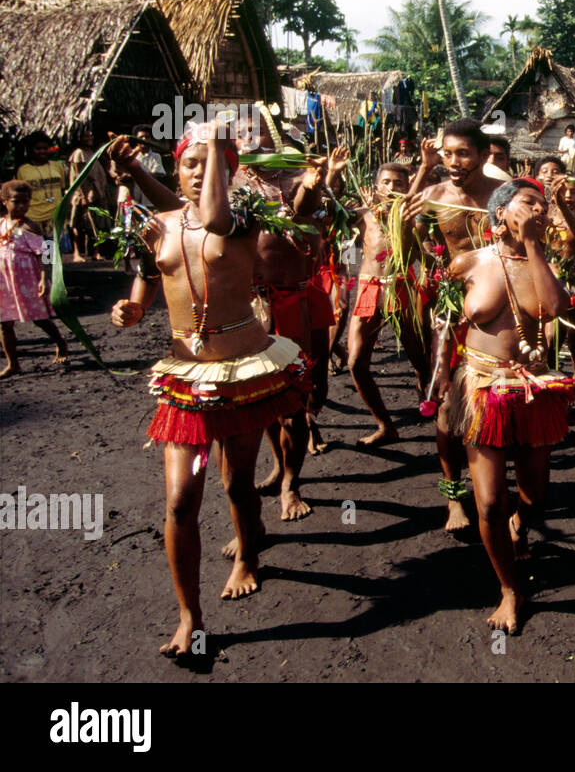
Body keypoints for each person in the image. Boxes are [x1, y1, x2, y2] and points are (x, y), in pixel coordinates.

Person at [109, 122, 312, 658]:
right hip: (185, 377)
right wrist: (130, 310)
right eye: (190, 163)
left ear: (233, 171)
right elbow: (147, 283)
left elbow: (213, 216)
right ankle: (190, 617)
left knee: (238, 484)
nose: (200, 173)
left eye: (215, 164)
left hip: (243, 370)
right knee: (179, 501)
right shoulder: (157, 225)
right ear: (175, 169)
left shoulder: (242, 221)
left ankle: (249, 552)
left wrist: (219, 155)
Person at [430, 177, 574, 634]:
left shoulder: (544, 262)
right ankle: (510, 589)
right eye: (526, 202)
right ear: (499, 215)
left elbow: (554, 308)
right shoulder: (470, 262)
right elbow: (442, 314)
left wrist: (533, 245)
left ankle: (521, 524)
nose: (537, 209)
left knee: (534, 496)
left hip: (531, 388)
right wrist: (438, 377)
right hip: (480, 387)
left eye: (541, 204)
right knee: (489, 502)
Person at [232, 111, 346, 521]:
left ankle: (290, 484)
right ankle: (279, 464)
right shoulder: (230, 183)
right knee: (261, 397)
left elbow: (303, 212)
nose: (250, 138)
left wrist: (317, 181)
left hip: (296, 299)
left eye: (257, 131)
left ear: (274, 137)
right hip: (251, 304)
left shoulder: (296, 176)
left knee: (296, 400)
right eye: (242, 132)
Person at [404, 120, 505, 531]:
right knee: (446, 405)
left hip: (499, 308)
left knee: (499, 398)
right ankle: (454, 496)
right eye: (447, 153)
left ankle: (494, 488)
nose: (453, 162)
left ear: (483, 157)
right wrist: (410, 224)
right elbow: (411, 250)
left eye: (463, 153)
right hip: (451, 308)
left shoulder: (503, 197)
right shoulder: (432, 196)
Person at [347, 162, 431, 445]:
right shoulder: (364, 215)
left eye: (398, 183)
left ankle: (425, 386)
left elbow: (411, 227)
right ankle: (385, 425)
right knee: (356, 363)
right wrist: (330, 175)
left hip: (400, 289)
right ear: (376, 186)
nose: (392, 188)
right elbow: (333, 213)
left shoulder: (412, 219)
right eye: (386, 183)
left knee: (417, 354)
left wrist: (426, 167)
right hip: (368, 289)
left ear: (407, 188)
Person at [534, 156, 575, 396]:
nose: (551, 174)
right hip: (552, 282)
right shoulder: (539, 213)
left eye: (556, 170)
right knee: (551, 337)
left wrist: (572, 207)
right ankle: (554, 386)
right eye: (545, 171)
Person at [1, 180, 69, 377]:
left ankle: (60, 342)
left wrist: (43, 278)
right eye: (16, 201)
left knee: (39, 318)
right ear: (5, 201)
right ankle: (13, 363)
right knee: (4, 322)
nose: (22, 206)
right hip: (5, 282)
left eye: (25, 202)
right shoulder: (1, 224)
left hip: (27, 279)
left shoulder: (32, 227)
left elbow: (45, 253)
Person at [67, 128, 111, 263]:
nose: (89, 138)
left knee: (95, 224)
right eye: (85, 136)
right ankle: (76, 253)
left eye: (90, 135)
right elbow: (79, 176)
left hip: (96, 193)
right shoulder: (79, 154)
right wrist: (83, 195)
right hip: (84, 194)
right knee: (78, 224)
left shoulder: (91, 153)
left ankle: (95, 252)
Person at [16, 134, 66, 239]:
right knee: (38, 252)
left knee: (52, 252)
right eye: (38, 148)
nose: (42, 151)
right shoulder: (23, 170)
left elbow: (62, 189)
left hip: (54, 216)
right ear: (30, 150)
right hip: (33, 218)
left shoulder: (57, 166)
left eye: (45, 148)